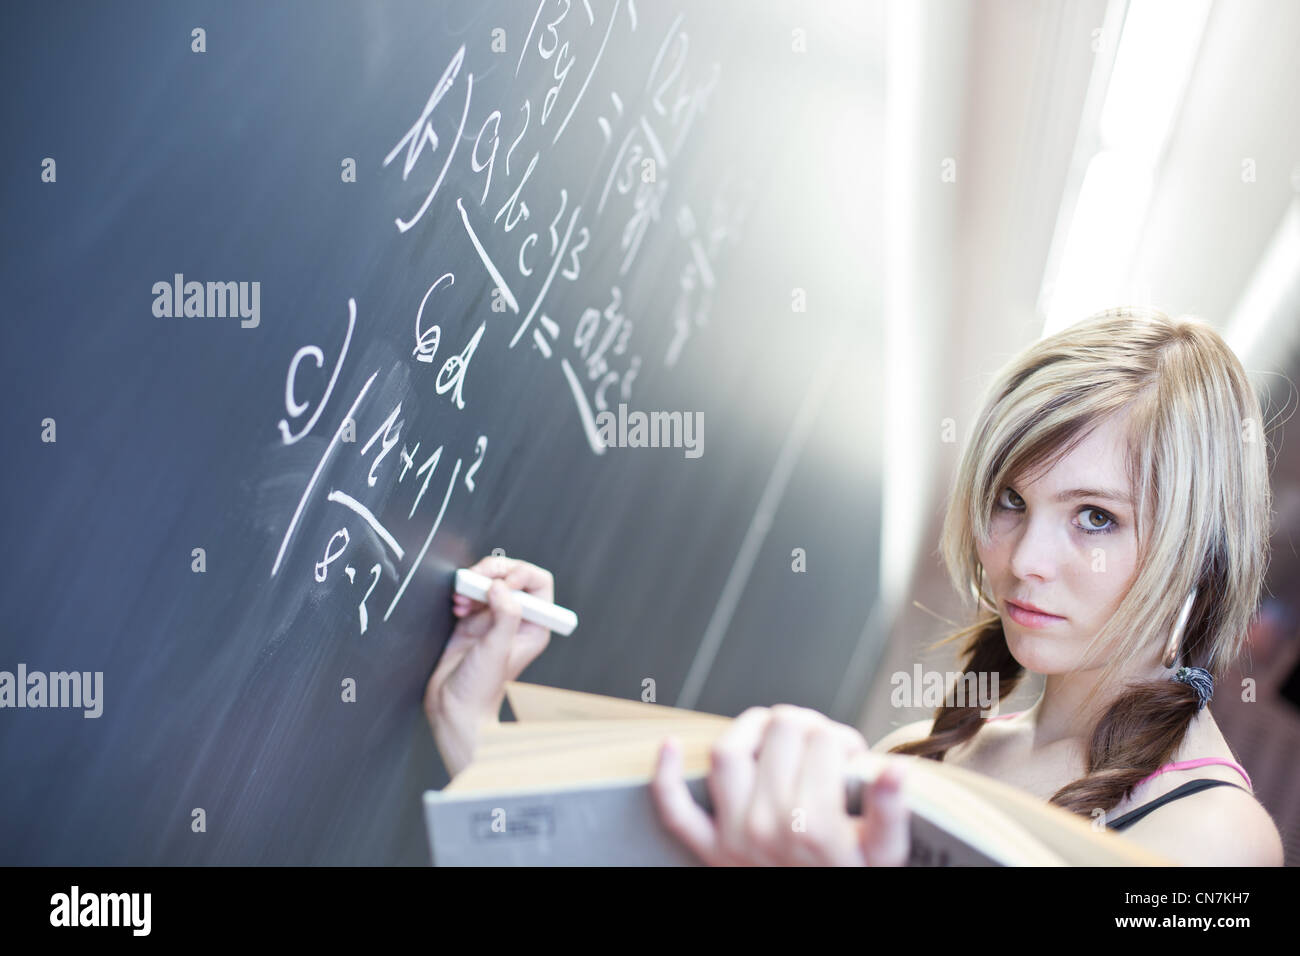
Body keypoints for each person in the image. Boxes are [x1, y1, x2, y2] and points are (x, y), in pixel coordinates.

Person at [423, 307, 1285, 866]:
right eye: (1010, 501)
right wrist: (474, 724)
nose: (1024, 560)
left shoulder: (1217, 839)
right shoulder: (923, 756)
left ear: (1197, 549)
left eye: (1095, 516)